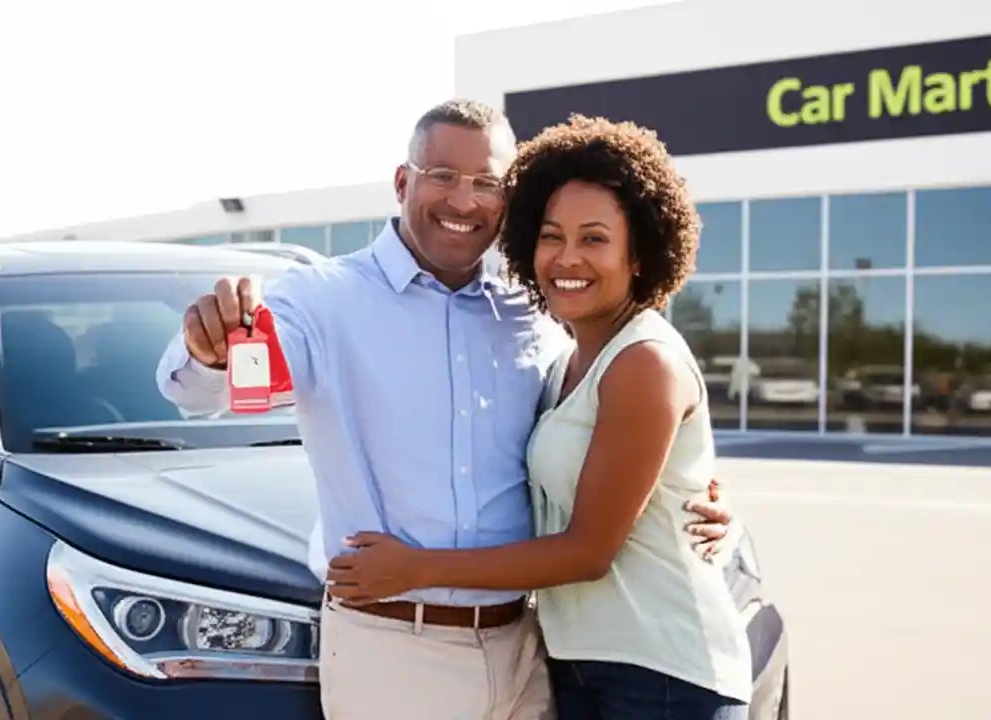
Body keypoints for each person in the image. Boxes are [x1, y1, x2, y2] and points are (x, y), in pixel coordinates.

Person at [155, 100, 735, 720]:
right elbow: (199, 391)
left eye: (488, 183)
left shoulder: (537, 313)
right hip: (395, 652)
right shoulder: (324, 299)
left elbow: (612, 447)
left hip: (531, 651)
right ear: (403, 181)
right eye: (442, 176)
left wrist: (695, 505)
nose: (464, 200)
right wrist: (205, 350)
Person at [325, 115, 753, 719]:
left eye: (595, 239)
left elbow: (587, 552)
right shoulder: (566, 356)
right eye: (552, 236)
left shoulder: (643, 362)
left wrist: (417, 568)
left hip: (664, 676)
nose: (566, 258)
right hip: (583, 666)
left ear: (641, 254)